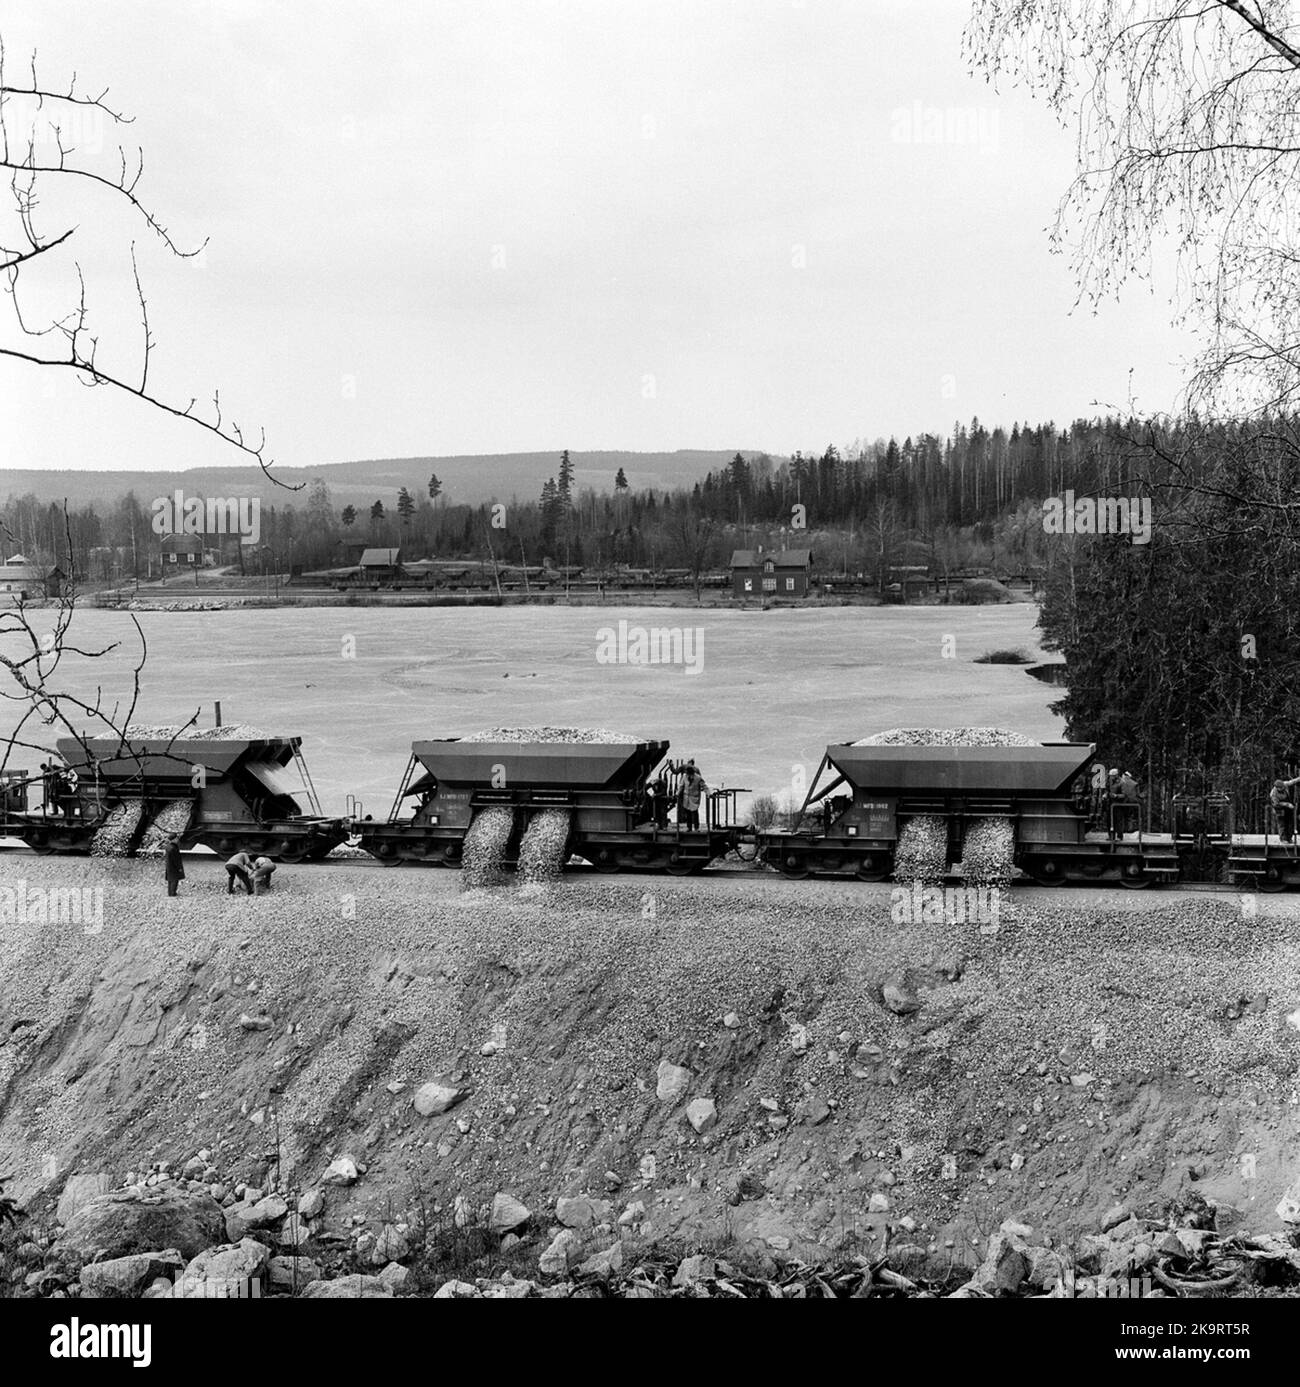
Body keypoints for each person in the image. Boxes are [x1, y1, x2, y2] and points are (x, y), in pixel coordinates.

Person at [1269, 776, 1300, 842]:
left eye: (1283, 787)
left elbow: (1292, 782)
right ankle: (1283, 839)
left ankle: (1289, 838)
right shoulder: (1273, 794)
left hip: (1287, 809)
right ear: (1277, 788)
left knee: (1290, 823)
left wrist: (1298, 779)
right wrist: (1287, 804)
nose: (1283, 788)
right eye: (1282, 788)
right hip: (1279, 809)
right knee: (1282, 824)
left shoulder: (1284, 785)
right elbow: (1276, 804)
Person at [679, 765, 708, 831]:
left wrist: (708, 793)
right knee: (688, 813)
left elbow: (704, 786)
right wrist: (677, 794)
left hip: (694, 798)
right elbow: (681, 786)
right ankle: (689, 827)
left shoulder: (698, 778)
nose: (687, 775)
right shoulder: (684, 777)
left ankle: (696, 827)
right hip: (686, 798)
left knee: (695, 813)